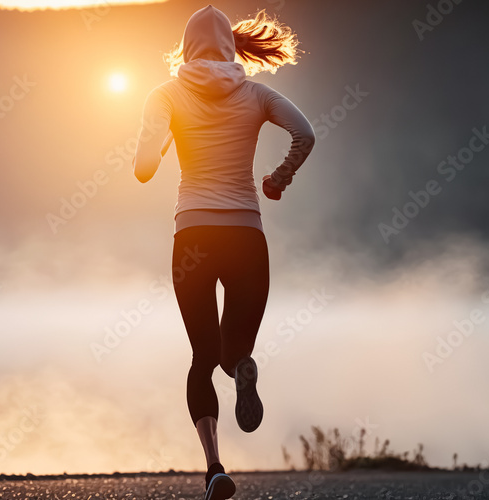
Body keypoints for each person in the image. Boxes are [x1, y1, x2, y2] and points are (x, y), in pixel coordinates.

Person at [132, 5, 315, 500]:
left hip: (193, 236)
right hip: (245, 237)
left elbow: (143, 169)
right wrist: (279, 179)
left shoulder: (165, 94)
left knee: (200, 356)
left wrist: (163, 138)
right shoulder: (257, 93)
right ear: (232, 47)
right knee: (235, 352)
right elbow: (306, 134)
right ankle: (242, 371)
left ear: (186, 46)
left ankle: (214, 467)